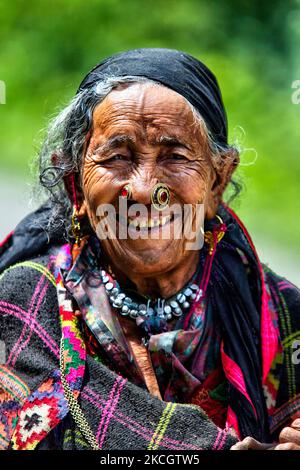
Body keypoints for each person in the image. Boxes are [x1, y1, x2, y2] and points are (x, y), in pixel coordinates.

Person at [0, 48, 299, 451]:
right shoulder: (23, 305)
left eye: (174, 156)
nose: (145, 190)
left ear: (216, 182)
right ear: (76, 186)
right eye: (118, 157)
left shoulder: (283, 317)